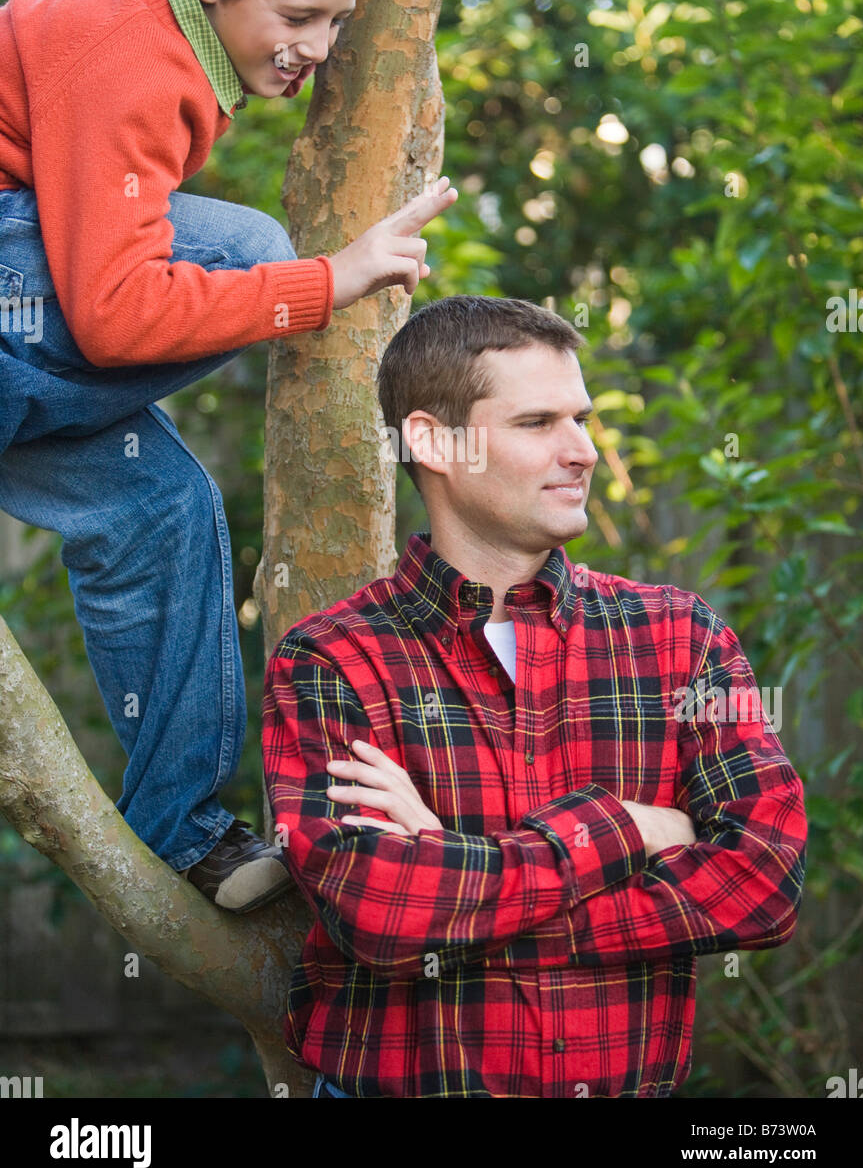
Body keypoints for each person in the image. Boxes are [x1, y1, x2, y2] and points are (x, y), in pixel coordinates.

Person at [0, 0, 457, 913]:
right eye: (297, 18)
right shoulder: (127, 63)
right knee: (252, 252)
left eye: (334, 20)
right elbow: (110, 320)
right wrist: (327, 280)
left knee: (165, 505)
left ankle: (186, 832)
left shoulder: (181, 3)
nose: (314, 46)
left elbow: (102, 312)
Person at [262, 294, 807, 1098]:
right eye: (537, 423)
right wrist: (625, 830)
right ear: (432, 440)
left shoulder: (678, 638)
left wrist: (454, 873)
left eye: (581, 418)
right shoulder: (333, 660)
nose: (583, 450)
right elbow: (376, 913)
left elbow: (764, 884)